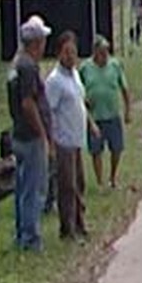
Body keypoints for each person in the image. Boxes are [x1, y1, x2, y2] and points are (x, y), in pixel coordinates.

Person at [45, 31, 100, 240]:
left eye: (73, 52)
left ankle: (79, 223)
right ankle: (67, 229)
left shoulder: (75, 75)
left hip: (77, 139)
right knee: (67, 186)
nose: (70, 56)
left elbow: (80, 104)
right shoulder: (54, 81)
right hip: (63, 140)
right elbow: (48, 112)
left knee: (79, 183)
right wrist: (50, 142)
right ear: (59, 53)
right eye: (66, 52)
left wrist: (91, 125)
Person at [7, 15, 53, 251]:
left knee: (23, 188)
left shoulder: (17, 64)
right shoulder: (28, 67)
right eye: (43, 39)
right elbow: (28, 103)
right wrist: (42, 133)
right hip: (30, 136)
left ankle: (21, 234)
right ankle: (30, 238)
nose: (45, 44)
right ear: (35, 42)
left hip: (18, 134)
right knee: (34, 189)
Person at [81, 35, 131, 189]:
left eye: (107, 51)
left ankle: (113, 178)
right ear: (95, 52)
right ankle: (100, 182)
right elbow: (78, 89)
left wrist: (128, 110)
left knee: (117, 148)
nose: (105, 55)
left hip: (113, 114)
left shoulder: (115, 65)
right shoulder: (85, 68)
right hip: (95, 117)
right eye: (102, 51)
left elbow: (124, 88)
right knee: (96, 150)